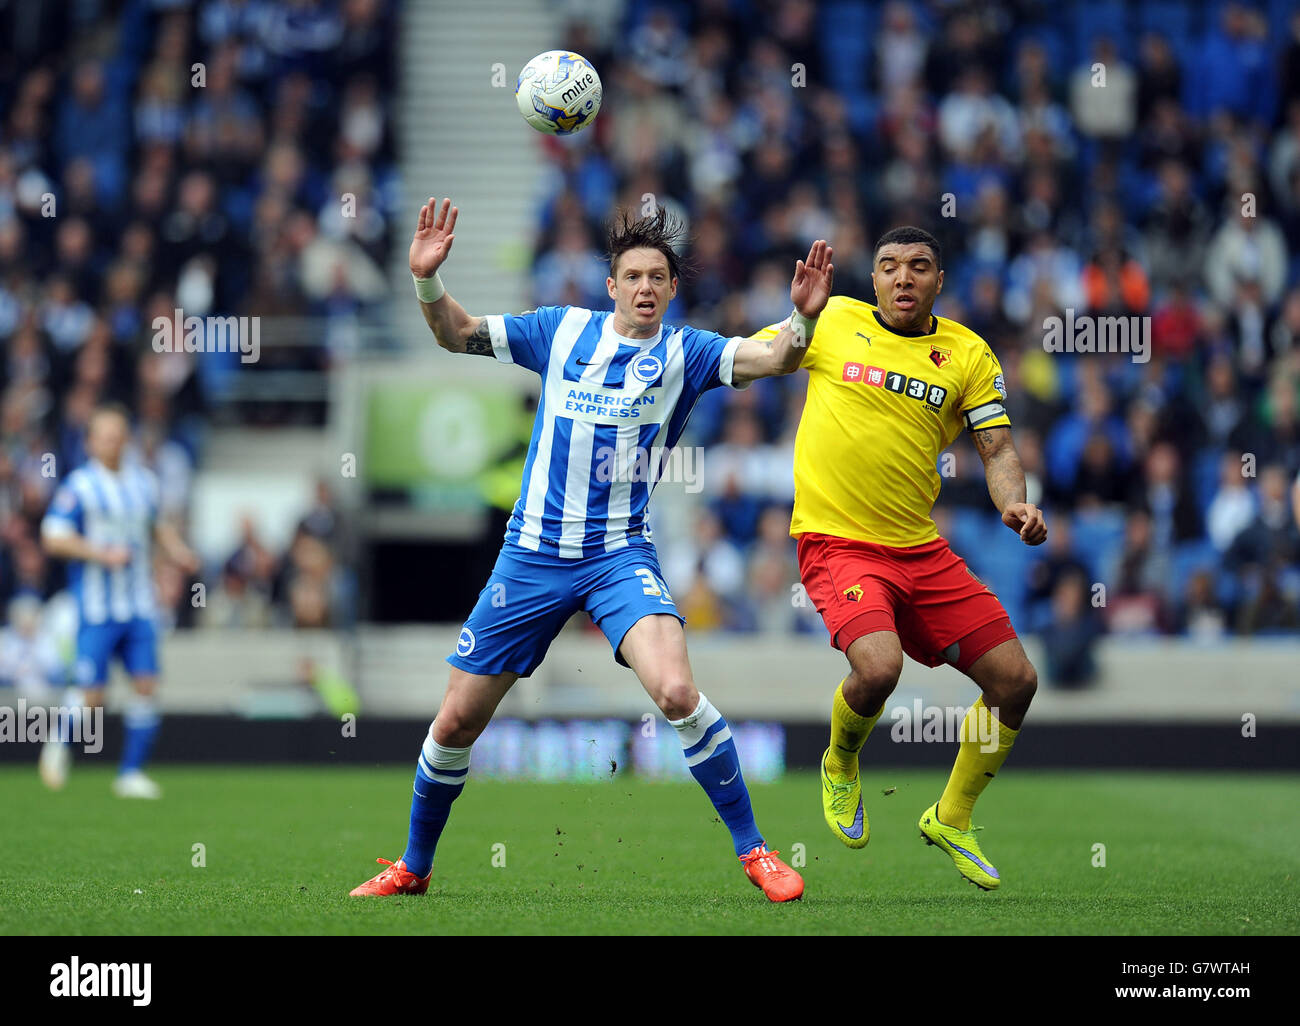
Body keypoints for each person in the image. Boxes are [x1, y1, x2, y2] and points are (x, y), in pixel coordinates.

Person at [349, 198, 834, 902]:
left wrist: (804, 318)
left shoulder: (687, 352)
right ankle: (413, 866)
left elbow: (777, 355)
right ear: (610, 285)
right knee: (454, 721)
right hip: (531, 554)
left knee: (674, 691)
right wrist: (427, 280)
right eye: (632, 275)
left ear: (672, 290)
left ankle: (756, 851)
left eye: (657, 278)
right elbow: (455, 334)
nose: (644, 287)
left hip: (618, 557)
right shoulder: (560, 330)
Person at [750, 226, 1046, 890]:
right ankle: (842, 760)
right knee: (878, 667)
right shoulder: (833, 319)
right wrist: (800, 315)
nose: (903, 277)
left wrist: (1015, 505)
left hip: (919, 548)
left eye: (918, 266)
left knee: (1016, 681)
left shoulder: (967, 352)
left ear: (940, 281)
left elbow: (996, 450)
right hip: (838, 541)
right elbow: (763, 358)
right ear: (874, 279)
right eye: (888, 266)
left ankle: (952, 815)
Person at [39, 403, 200, 798]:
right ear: (91, 441)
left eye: (118, 434)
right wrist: (100, 553)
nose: (113, 442)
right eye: (105, 435)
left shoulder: (144, 481)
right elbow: (52, 537)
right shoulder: (79, 486)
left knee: (147, 684)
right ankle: (59, 742)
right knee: (93, 697)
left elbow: (156, 524)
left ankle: (130, 773)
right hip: (97, 607)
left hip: (139, 604)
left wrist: (179, 551)